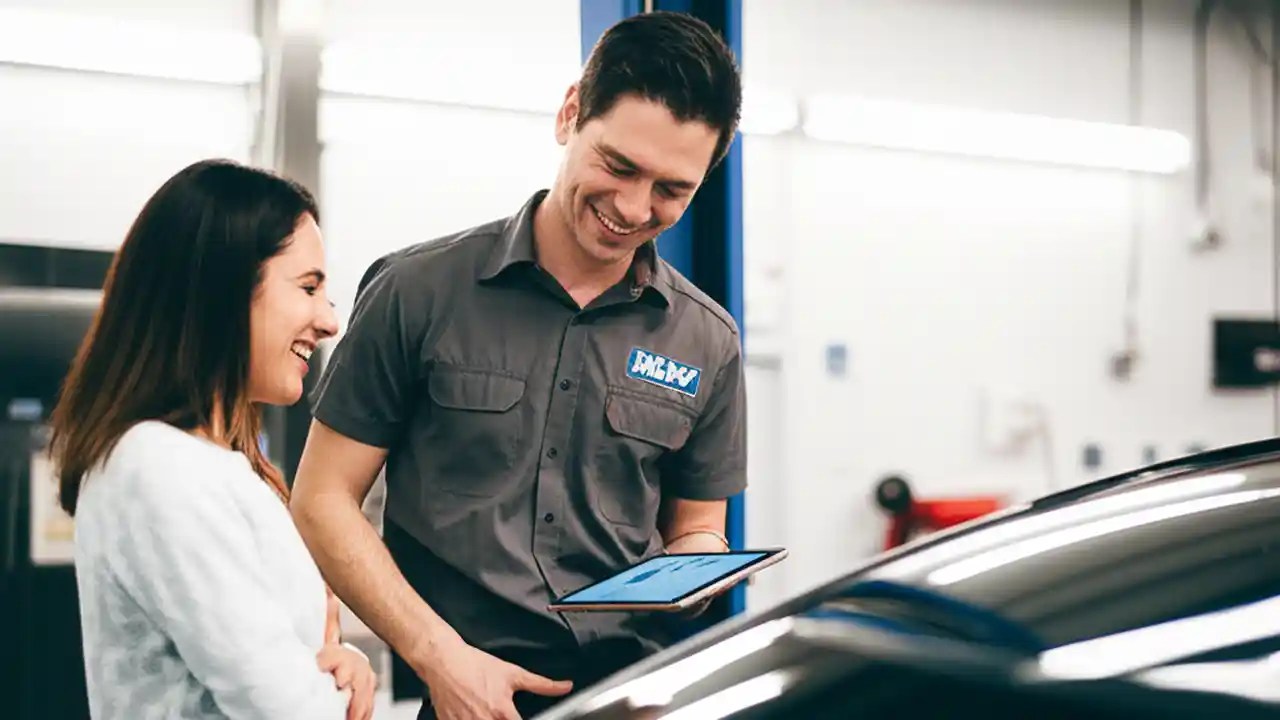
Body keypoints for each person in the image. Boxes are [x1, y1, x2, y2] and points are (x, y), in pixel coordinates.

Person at [290, 11, 745, 720]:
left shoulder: (706, 340)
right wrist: (440, 658)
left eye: (671, 190)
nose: (633, 208)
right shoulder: (419, 292)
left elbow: (698, 525)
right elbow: (321, 499)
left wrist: (701, 560)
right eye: (619, 166)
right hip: (460, 691)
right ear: (570, 114)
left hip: (629, 697)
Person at [50, 159, 378, 720]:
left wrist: (342, 663)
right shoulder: (160, 468)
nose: (329, 322)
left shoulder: (211, 466)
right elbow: (287, 710)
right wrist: (339, 690)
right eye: (308, 287)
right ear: (223, 290)